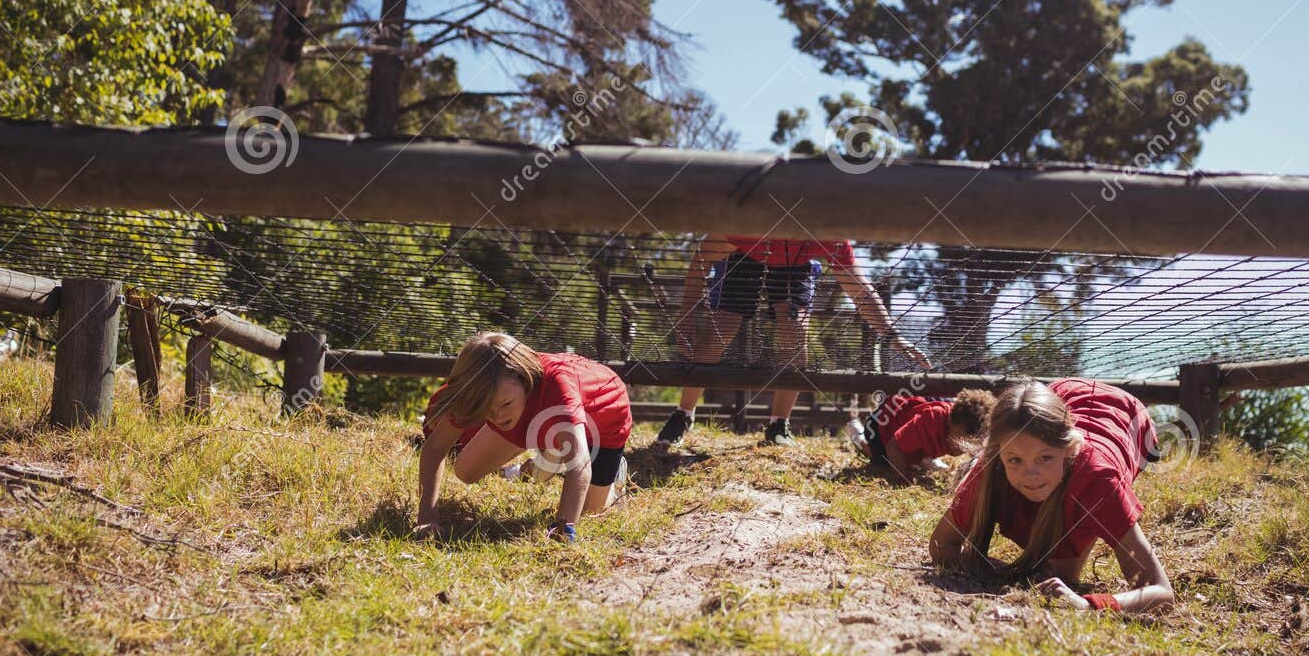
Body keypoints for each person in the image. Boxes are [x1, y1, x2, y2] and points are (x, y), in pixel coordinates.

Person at [656, 235, 931, 448]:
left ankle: (778, 425)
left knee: (795, 331)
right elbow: (699, 262)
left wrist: (894, 336)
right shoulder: (743, 227)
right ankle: (684, 413)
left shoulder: (830, 234)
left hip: (796, 263)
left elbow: (861, 291)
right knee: (722, 328)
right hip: (744, 256)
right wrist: (686, 316)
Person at [927, 379, 1174, 615]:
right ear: (998, 454)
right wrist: (999, 570)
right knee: (1050, 571)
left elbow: (1160, 591)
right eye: (1015, 460)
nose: (1031, 474)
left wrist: (1089, 606)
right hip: (1063, 394)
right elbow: (940, 544)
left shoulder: (1099, 482)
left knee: (1064, 574)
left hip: (1126, 417)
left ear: (1069, 450)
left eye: (1045, 458)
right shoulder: (990, 468)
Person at [417, 332, 632, 543]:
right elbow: (434, 449)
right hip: (542, 419)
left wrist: (562, 531)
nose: (498, 416)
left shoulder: (558, 385)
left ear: (525, 379)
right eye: (488, 410)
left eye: (505, 404)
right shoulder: (479, 388)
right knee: (465, 471)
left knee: (592, 511)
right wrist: (427, 517)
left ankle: (611, 476)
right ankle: (552, 452)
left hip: (601, 422)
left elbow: (580, 465)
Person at [851, 388, 994, 484]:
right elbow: (893, 446)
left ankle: (920, 460)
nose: (963, 448)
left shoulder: (970, 428)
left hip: (911, 438)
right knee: (883, 462)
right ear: (950, 421)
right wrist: (902, 478)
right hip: (881, 427)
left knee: (910, 458)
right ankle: (857, 436)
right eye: (961, 440)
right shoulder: (931, 420)